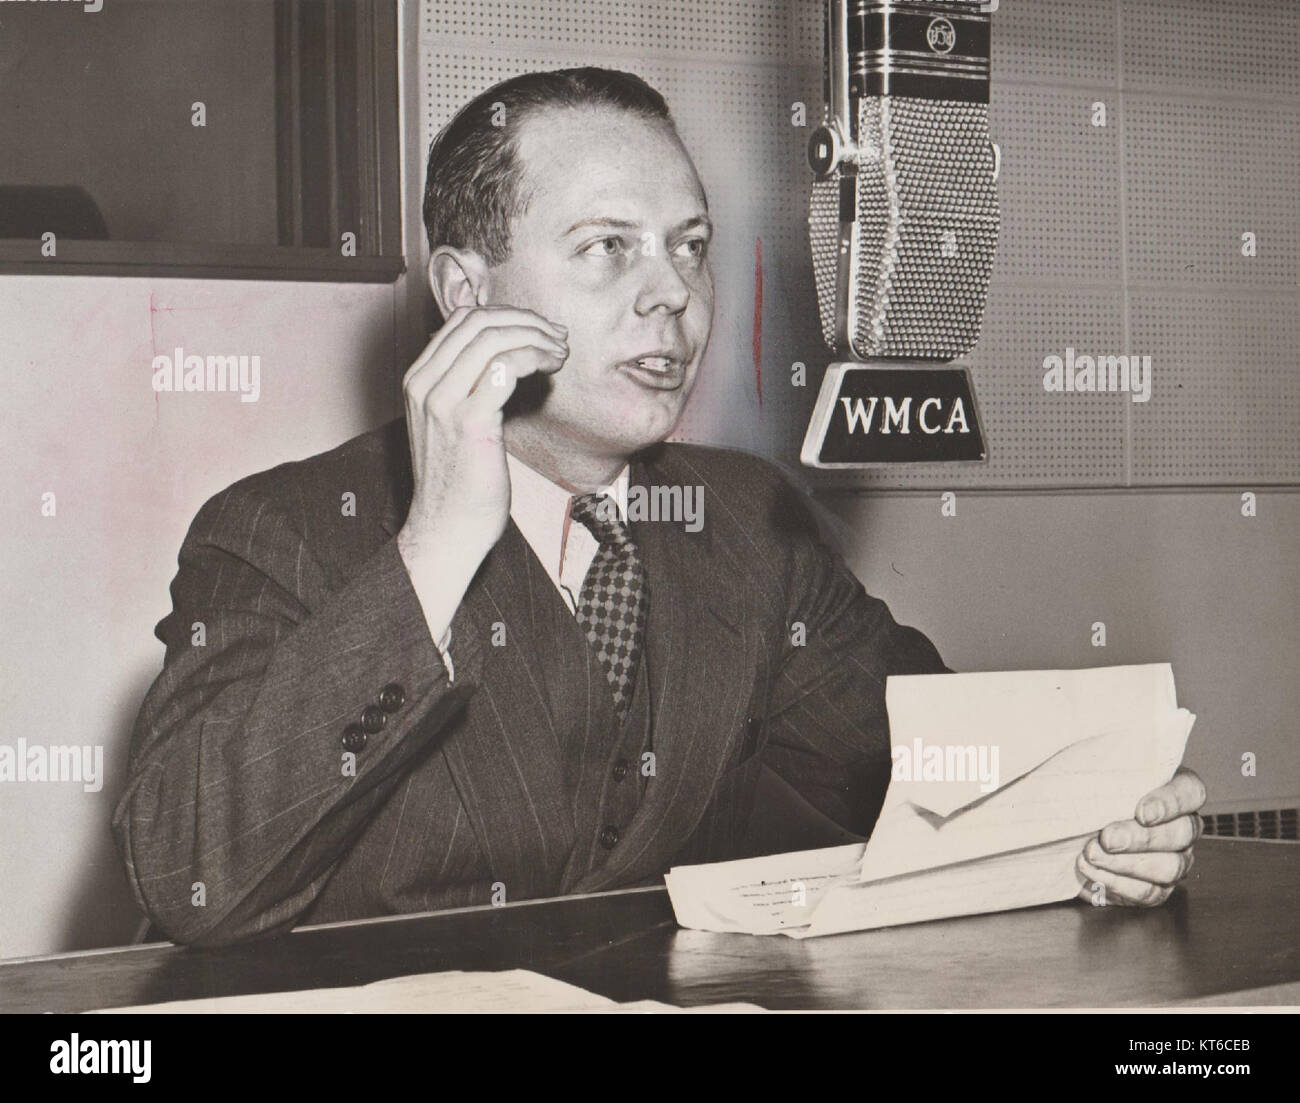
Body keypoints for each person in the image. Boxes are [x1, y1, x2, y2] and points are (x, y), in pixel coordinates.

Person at [114, 68, 1205, 948]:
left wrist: (1098, 818)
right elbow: (193, 880)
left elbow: (930, 772)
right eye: (608, 248)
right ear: (466, 293)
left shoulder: (744, 523)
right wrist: (435, 550)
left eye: (689, 245)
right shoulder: (280, 530)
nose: (672, 293)